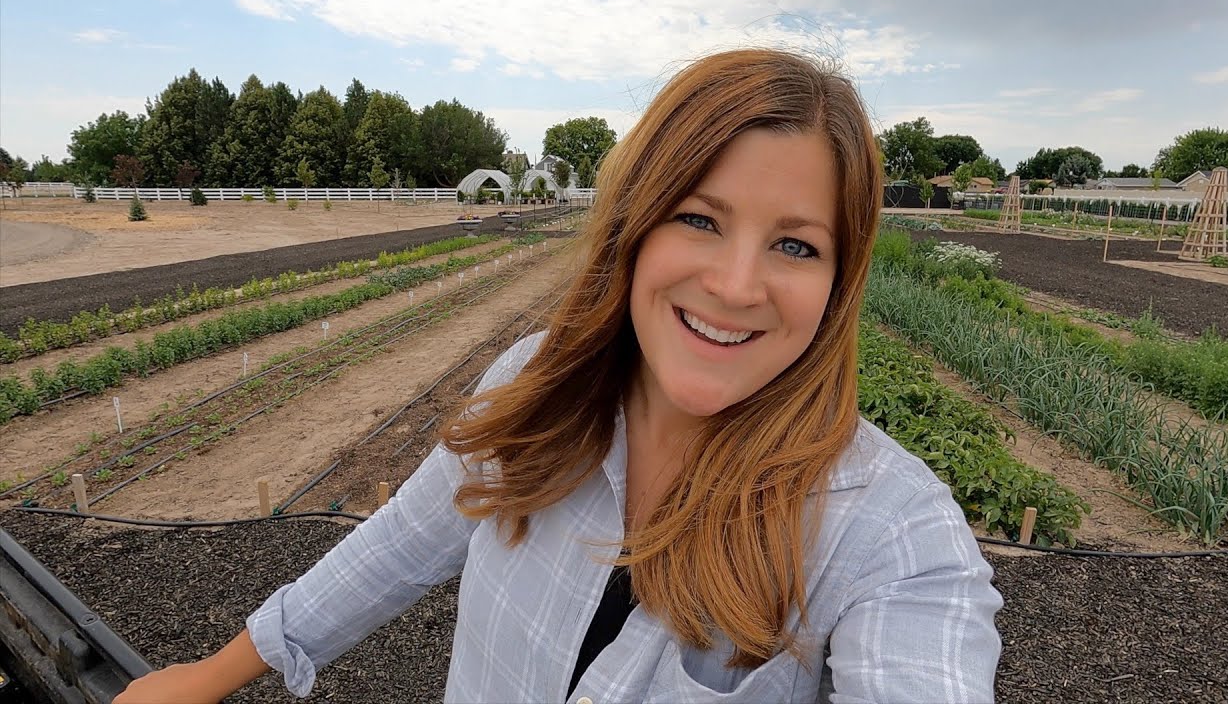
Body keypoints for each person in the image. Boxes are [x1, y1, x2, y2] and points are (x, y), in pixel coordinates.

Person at [114, 48, 1002, 704]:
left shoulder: (889, 534)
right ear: (634, 226)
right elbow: (402, 544)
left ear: (840, 280)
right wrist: (210, 676)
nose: (736, 286)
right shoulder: (541, 385)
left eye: (796, 245)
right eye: (699, 219)